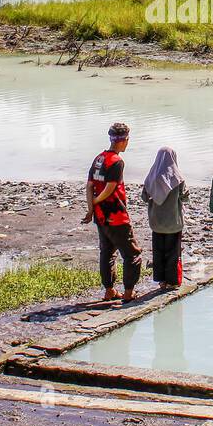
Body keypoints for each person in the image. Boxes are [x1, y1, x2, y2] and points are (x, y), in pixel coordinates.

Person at [83, 121, 142, 301]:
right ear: (123, 140)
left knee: (107, 253)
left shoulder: (99, 158)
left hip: (101, 216)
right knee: (133, 254)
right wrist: (96, 200)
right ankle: (129, 292)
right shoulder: (117, 162)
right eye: (127, 139)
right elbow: (110, 188)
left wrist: (91, 208)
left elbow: (89, 185)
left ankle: (109, 291)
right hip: (116, 215)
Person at [141, 146, 188, 290]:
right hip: (173, 222)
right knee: (173, 252)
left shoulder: (152, 177)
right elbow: (185, 197)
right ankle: (172, 281)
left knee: (159, 251)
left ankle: (161, 281)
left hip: (156, 222)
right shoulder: (178, 178)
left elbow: (144, 197)